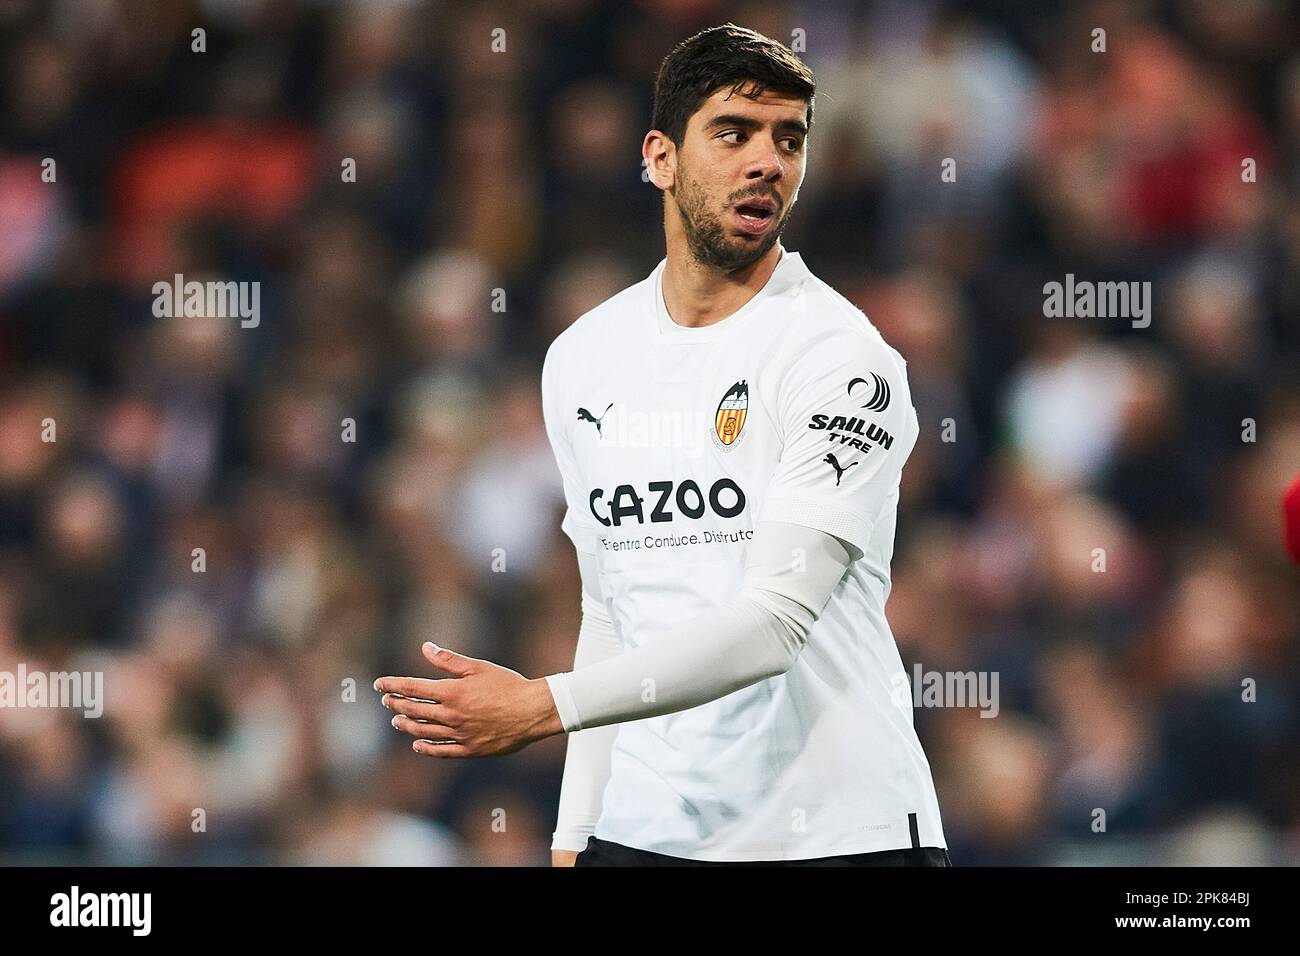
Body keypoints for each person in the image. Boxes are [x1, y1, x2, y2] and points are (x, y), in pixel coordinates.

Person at [374, 23, 949, 867]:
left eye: (789, 140)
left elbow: (773, 626)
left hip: (836, 836)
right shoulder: (584, 359)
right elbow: (613, 611)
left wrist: (542, 707)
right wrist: (575, 835)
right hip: (646, 837)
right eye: (734, 133)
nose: (768, 163)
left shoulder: (841, 358)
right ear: (660, 158)